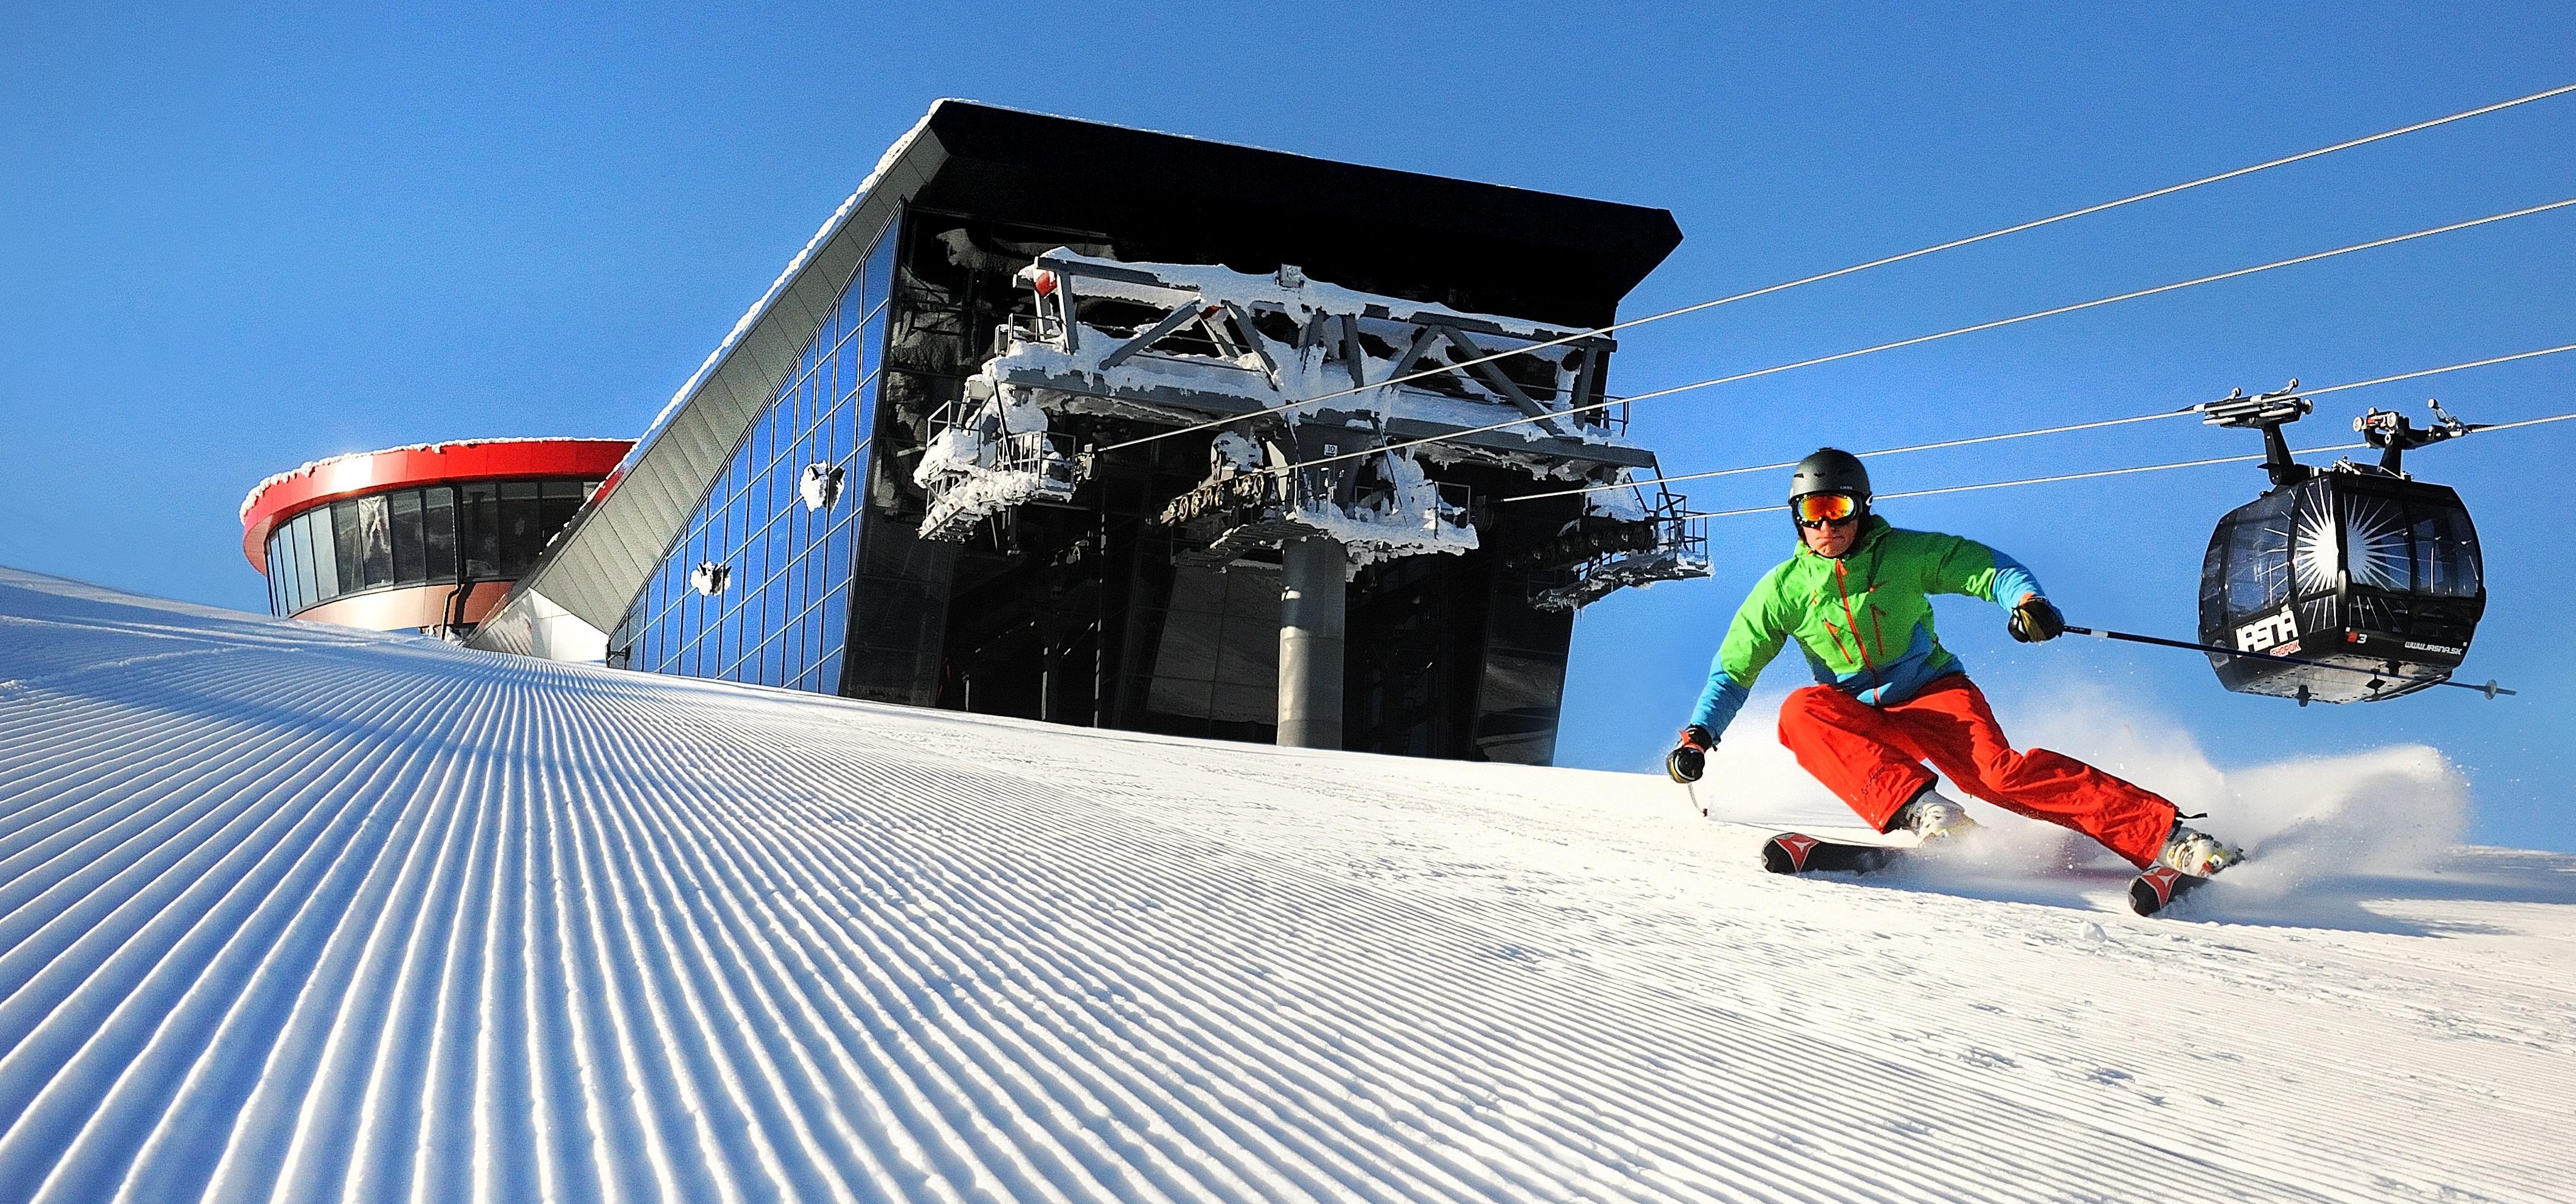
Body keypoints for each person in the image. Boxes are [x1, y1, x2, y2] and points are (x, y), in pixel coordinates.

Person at [1665, 448, 2241, 878]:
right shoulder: (1782, 589)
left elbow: (1983, 567)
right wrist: (1698, 735)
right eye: (1810, 512)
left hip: (1931, 693)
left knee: (1999, 775)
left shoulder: (1905, 553)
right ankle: (1923, 810)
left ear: (1861, 508)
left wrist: (2026, 602)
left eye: (1836, 509)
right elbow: (1734, 671)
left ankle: (2167, 835)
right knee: (1799, 712)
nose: (1825, 527)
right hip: (1860, 717)